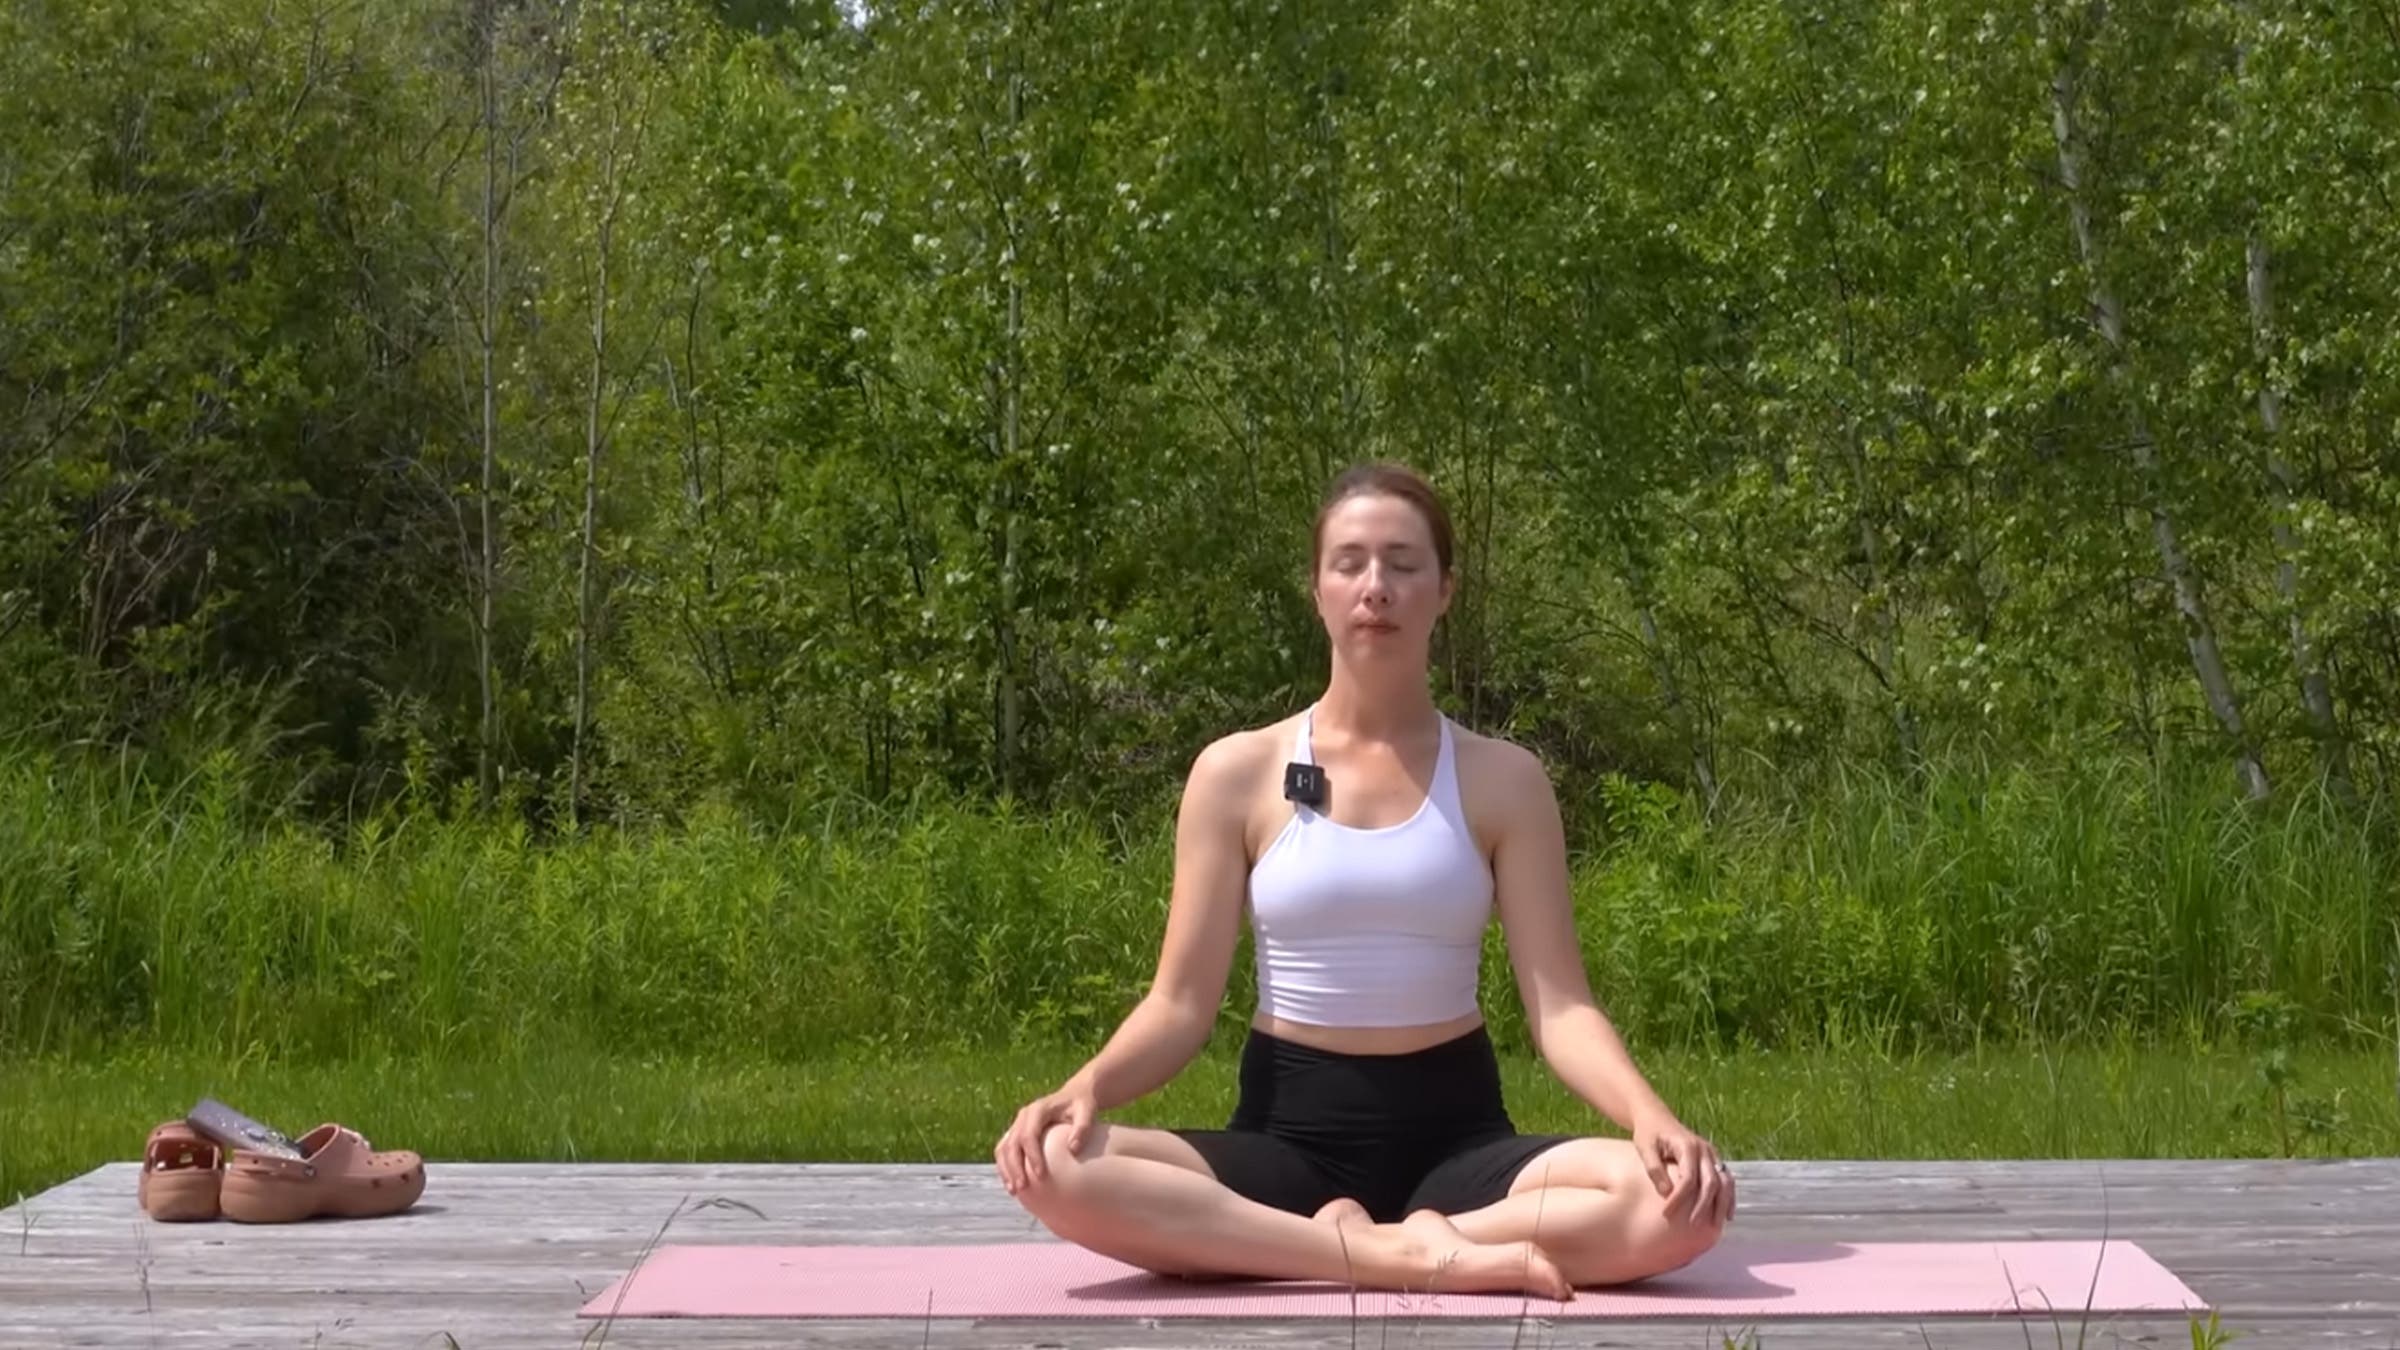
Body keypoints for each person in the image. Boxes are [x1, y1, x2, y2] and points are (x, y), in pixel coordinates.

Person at [993, 462, 1733, 1300]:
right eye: (1349, 562)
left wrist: (1649, 1115)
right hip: (1284, 1141)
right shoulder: (1236, 772)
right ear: (1316, 587)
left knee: (1685, 1207)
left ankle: (1345, 1246)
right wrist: (1083, 1087)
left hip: (1460, 1146)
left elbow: (1560, 1008)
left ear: (1445, 589)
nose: (1374, 587)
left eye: (1402, 564)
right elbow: (1179, 1007)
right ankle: (1406, 1257)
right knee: (1051, 1163)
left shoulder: (1504, 780)